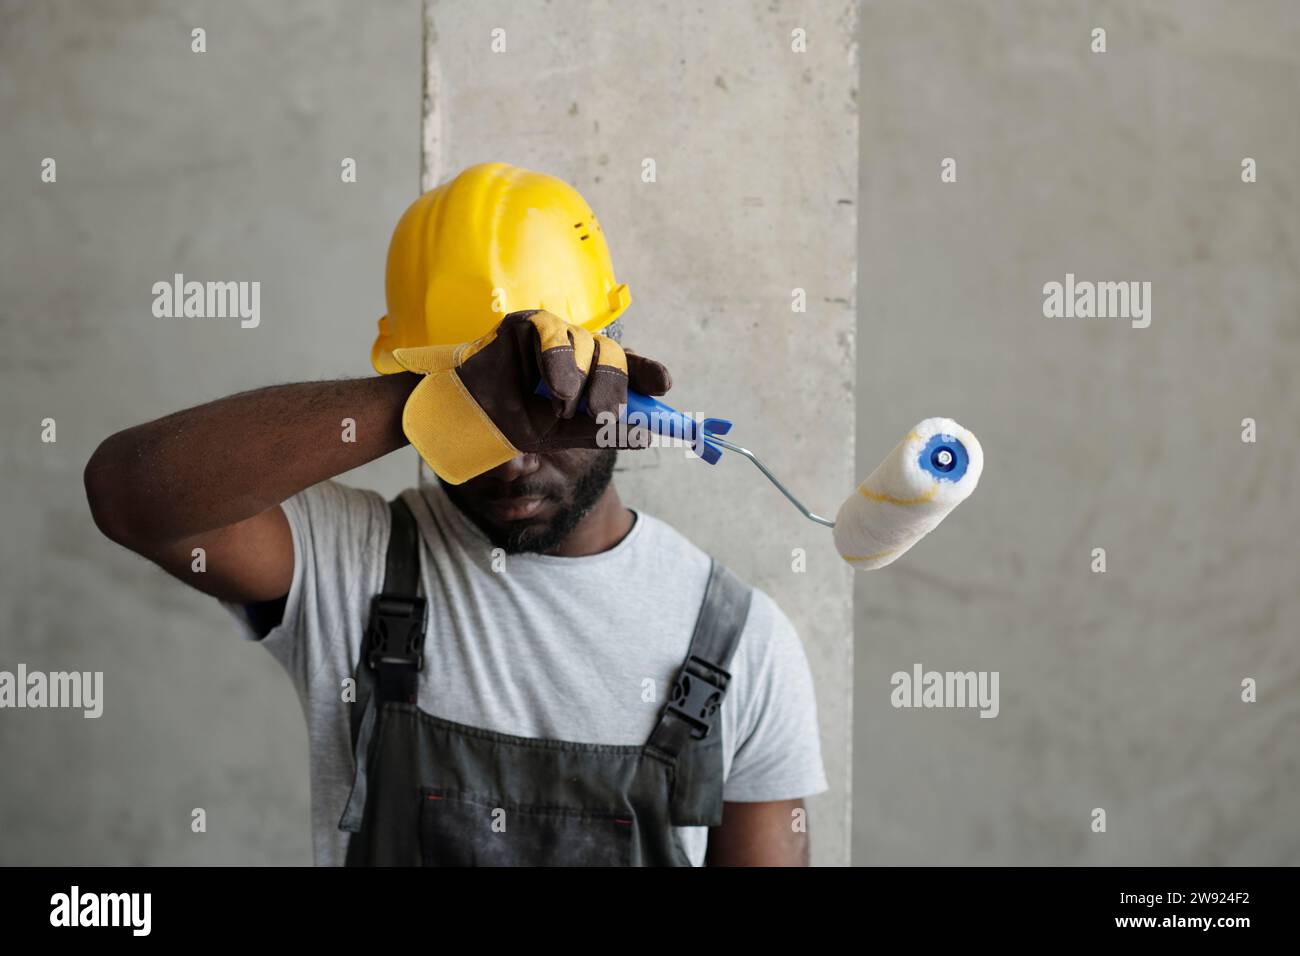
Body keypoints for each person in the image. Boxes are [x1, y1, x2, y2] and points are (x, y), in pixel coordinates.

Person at [83, 163, 827, 866]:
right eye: (473, 423)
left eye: (537, 410)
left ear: (608, 370)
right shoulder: (358, 563)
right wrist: (434, 398)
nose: (509, 461)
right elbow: (128, 496)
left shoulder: (742, 646)